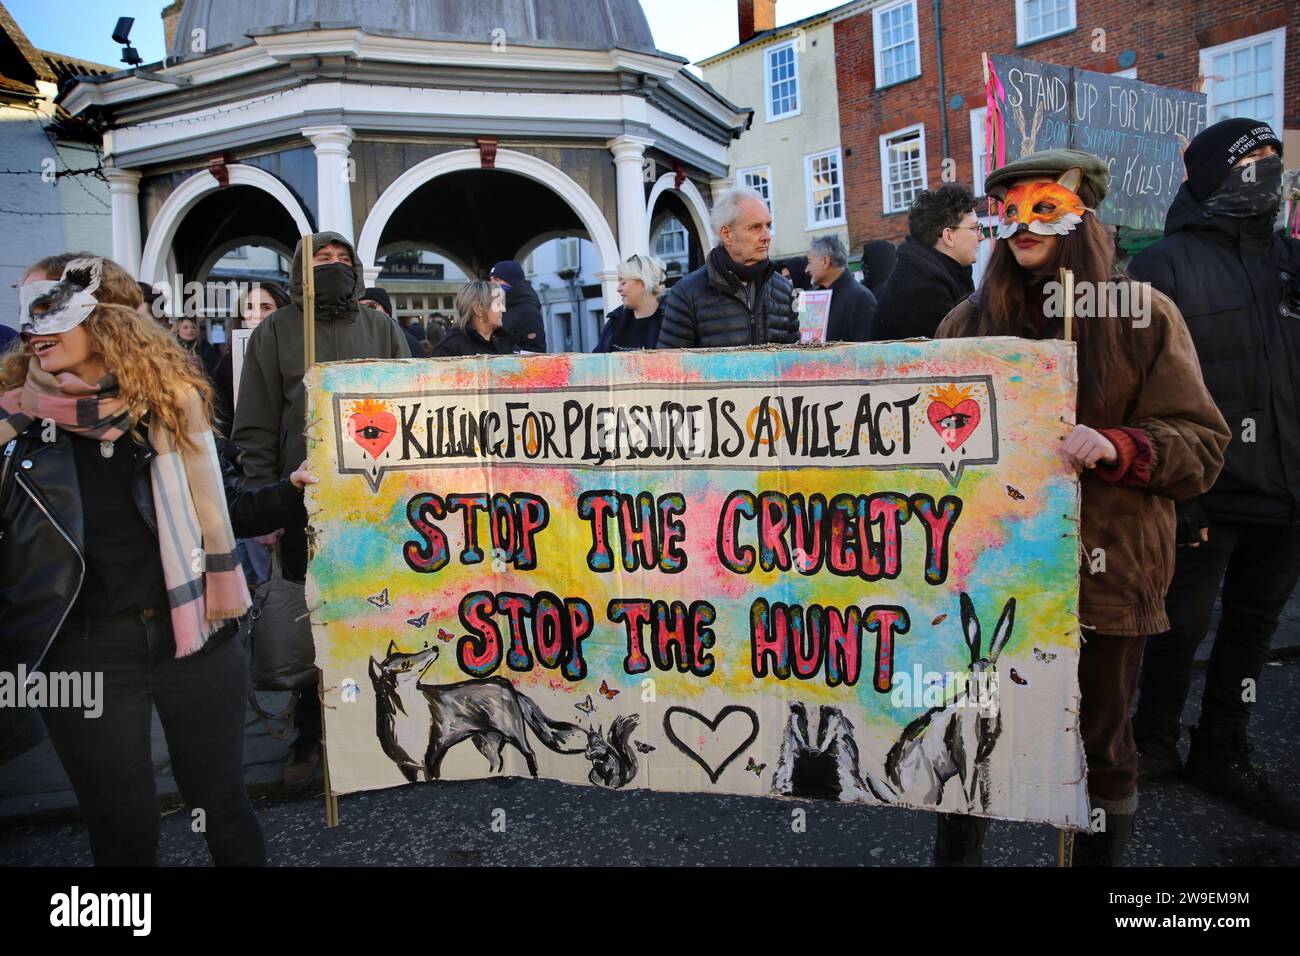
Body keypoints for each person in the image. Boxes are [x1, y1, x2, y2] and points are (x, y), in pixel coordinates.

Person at [932, 149, 1229, 866]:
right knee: (971, 732)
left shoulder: (1143, 316)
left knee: (1100, 740)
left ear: (1084, 216)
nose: (1023, 223)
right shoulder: (965, 324)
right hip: (991, 574)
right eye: (1007, 209)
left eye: (1044, 205)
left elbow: (1204, 444)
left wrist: (1122, 445)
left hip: (1104, 570)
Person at [0, 253, 265, 865]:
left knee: (223, 809)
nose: (33, 331)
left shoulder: (173, 410)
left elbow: (230, 512)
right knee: (120, 829)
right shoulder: (14, 429)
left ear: (108, 320)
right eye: (27, 315)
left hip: (200, 634)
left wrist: (294, 491)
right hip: (82, 651)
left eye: (49, 310)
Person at [1129, 119, 1300, 830]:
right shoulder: (1161, 267)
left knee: (1254, 630)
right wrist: (1177, 493)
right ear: (1208, 174)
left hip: (1288, 492)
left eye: (1273, 161)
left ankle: (1224, 745)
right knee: (1179, 628)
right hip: (1206, 493)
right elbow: (1137, 390)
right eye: (1250, 162)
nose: (1266, 172)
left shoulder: (1290, 260)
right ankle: (1152, 742)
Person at [233, 231, 411, 788]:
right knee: (312, 622)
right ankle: (311, 734)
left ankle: (374, 728)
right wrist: (266, 501)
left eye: (341, 259)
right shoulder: (275, 332)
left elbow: (412, 401)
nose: (333, 266)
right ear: (300, 271)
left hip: (378, 507)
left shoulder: (380, 327)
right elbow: (256, 426)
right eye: (320, 259)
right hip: (305, 506)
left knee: (376, 615)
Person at [656, 186, 799, 349]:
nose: (767, 236)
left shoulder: (785, 290)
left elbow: (793, 364)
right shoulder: (686, 294)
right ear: (726, 234)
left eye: (768, 226)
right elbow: (671, 368)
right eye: (755, 227)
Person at [872, 184, 980, 341]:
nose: (980, 236)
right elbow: (957, 354)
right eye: (974, 228)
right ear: (949, 236)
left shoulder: (930, 272)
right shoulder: (924, 289)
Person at [213, 281, 290, 436]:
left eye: (266, 307)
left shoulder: (300, 354)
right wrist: (234, 454)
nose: (257, 315)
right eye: (249, 308)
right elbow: (220, 416)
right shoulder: (228, 364)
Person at [806, 235, 877, 342]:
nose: (806, 269)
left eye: (810, 262)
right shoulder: (816, 298)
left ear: (825, 261)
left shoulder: (861, 298)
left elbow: (866, 353)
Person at [594, 254, 666, 352]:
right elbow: (598, 361)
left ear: (643, 283)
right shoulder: (615, 321)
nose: (618, 289)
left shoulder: (671, 320)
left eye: (623, 283)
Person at [431, 281, 514, 356]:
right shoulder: (449, 349)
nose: (503, 309)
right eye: (498, 304)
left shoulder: (504, 340)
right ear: (478, 309)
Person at [489, 260, 546, 352]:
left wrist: (505, 349)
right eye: (491, 280)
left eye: (497, 279)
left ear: (512, 280)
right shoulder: (497, 305)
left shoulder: (528, 311)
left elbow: (536, 352)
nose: (492, 284)